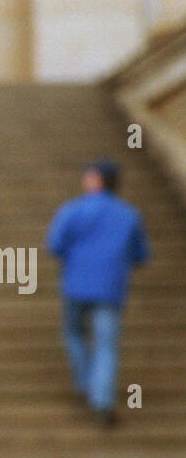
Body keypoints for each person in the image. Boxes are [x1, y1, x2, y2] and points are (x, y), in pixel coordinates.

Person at [46, 159, 149, 427]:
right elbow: (141, 254)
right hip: (110, 287)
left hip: (76, 284)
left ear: (95, 180)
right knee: (107, 345)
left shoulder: (73, 210)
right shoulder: (128, 214)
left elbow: (55, 244)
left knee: (74, 333)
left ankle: (85, 382)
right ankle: (102, 399)